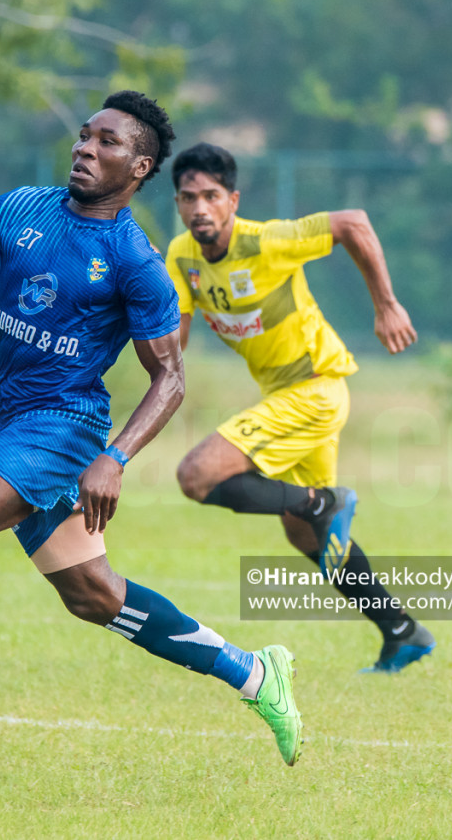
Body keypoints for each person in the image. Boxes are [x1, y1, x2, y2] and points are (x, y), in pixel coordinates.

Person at [0, 91, 303, 770]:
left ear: (138, 168)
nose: (85, 149)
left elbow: (171, 378)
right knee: (93, 595)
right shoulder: (19, 209)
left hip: (64, 428)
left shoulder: (135, 260)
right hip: (13, 421)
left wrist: (115, 458)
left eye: (106, 143)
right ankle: (255, 673)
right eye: (83, 136)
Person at [166, 142, 435, 673]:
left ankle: (322, 502)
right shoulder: (182, 257)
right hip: (284, 398)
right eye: (188, 197)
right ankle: (401, 631)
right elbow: (176, 341)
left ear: (233, 200)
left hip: (315, 388)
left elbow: (353, 223)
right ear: (177, 203)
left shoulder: (267, 241)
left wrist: (386, 305)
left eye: (211, 196)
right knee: (301, 531)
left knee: (197, 475)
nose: (200, 208)